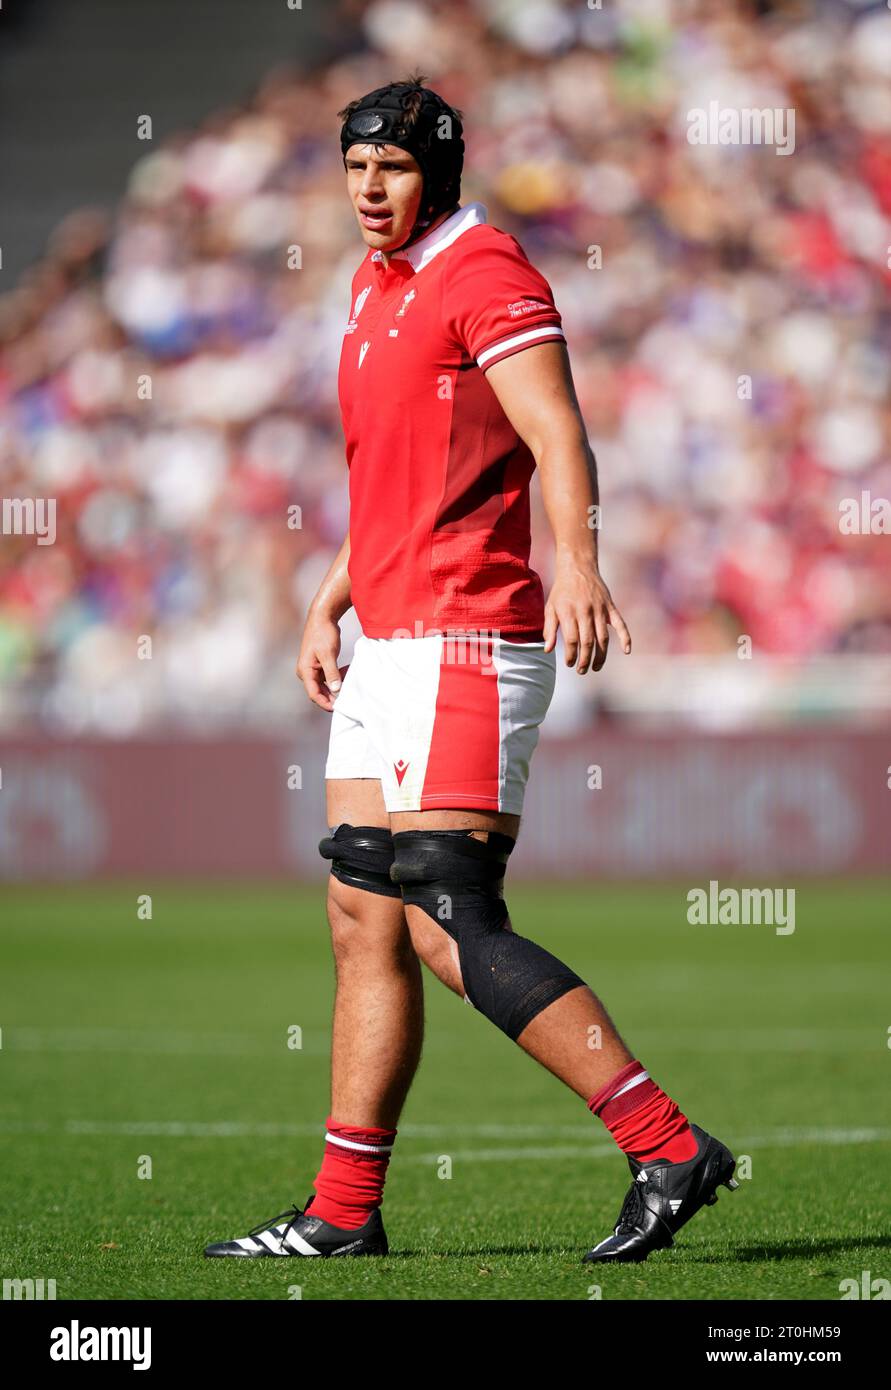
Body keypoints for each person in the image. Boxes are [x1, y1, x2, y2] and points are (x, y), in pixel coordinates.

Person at [205, 75, 737, 1265]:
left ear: (436, 171)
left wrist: (582, 567)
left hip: (465, 636)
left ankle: (664, 1141)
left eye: (389, 169)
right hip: (387, 642)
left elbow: (557, 430)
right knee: (362, 918)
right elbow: (392, 478)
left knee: (448, 913)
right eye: (353, 169)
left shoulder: (485, 272)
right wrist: (328, 599)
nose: (367, 191)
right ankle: (343, 1214)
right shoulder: (370, 287)